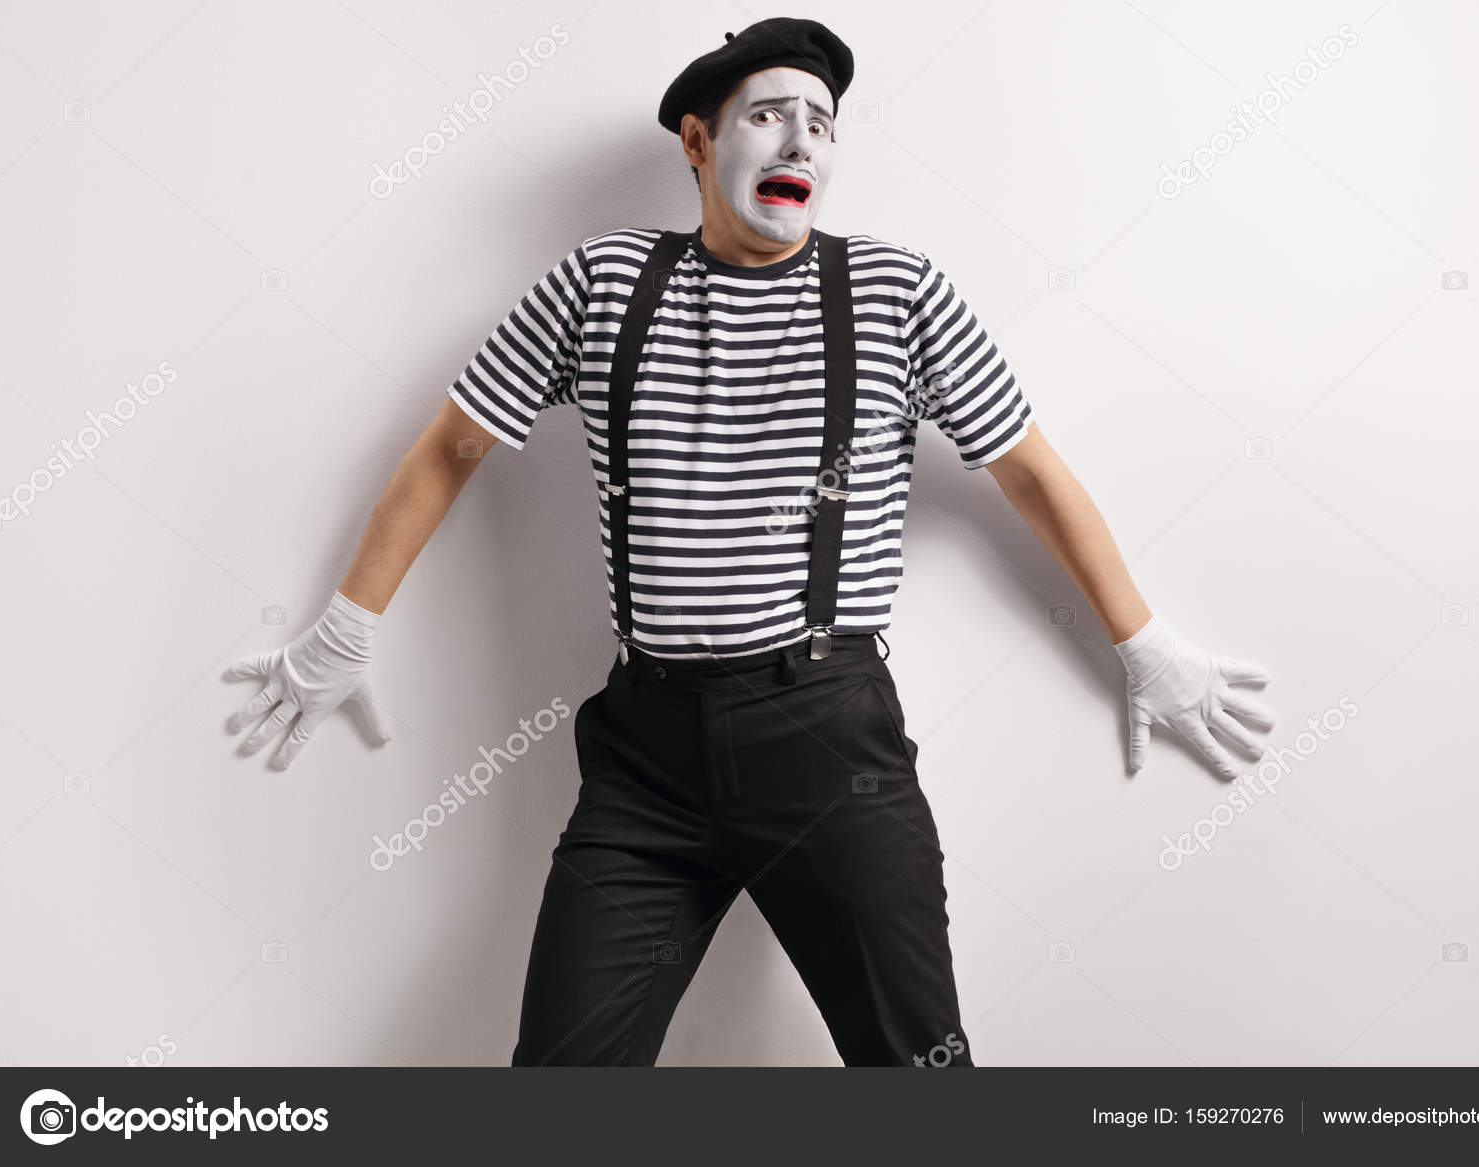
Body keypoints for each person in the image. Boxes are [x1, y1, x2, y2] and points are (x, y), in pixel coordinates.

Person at [223, 17, 1276, 1067]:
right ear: (697, 142)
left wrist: (1140, 642)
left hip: (827, 739)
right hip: (644, 758)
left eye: (821, 124)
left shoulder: (894, 293)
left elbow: (1028, 472)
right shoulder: (601, 284)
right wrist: (344, 630)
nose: (799, 143)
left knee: (920, 1072)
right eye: (768, 116)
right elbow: (452, 447)